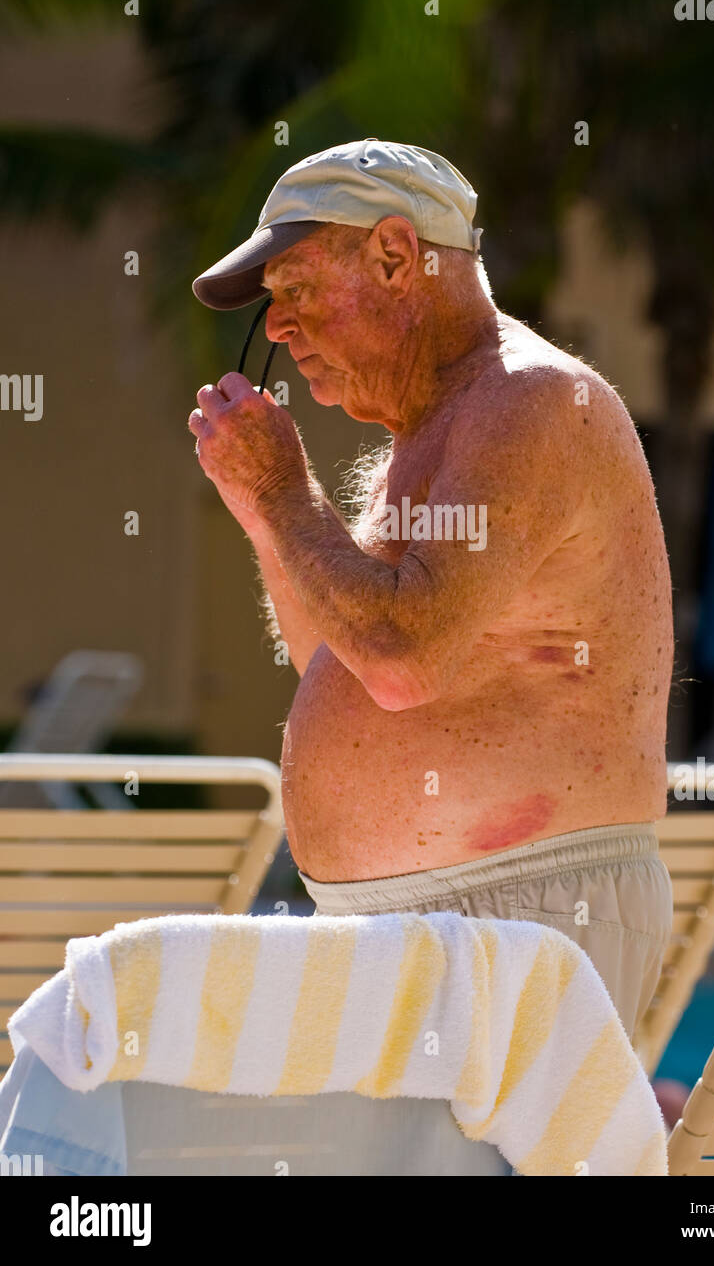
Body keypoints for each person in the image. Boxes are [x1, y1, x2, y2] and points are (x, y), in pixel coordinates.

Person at [188, 139, 673, 1038]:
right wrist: (267, 519)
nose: (280, 327)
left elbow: (406, 660)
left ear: (396, 256)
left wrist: (288, 495)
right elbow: (348, 661)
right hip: (456, 925)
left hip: (519, 915)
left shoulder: (530, 401)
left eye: (295, 288)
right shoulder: (438, 427)